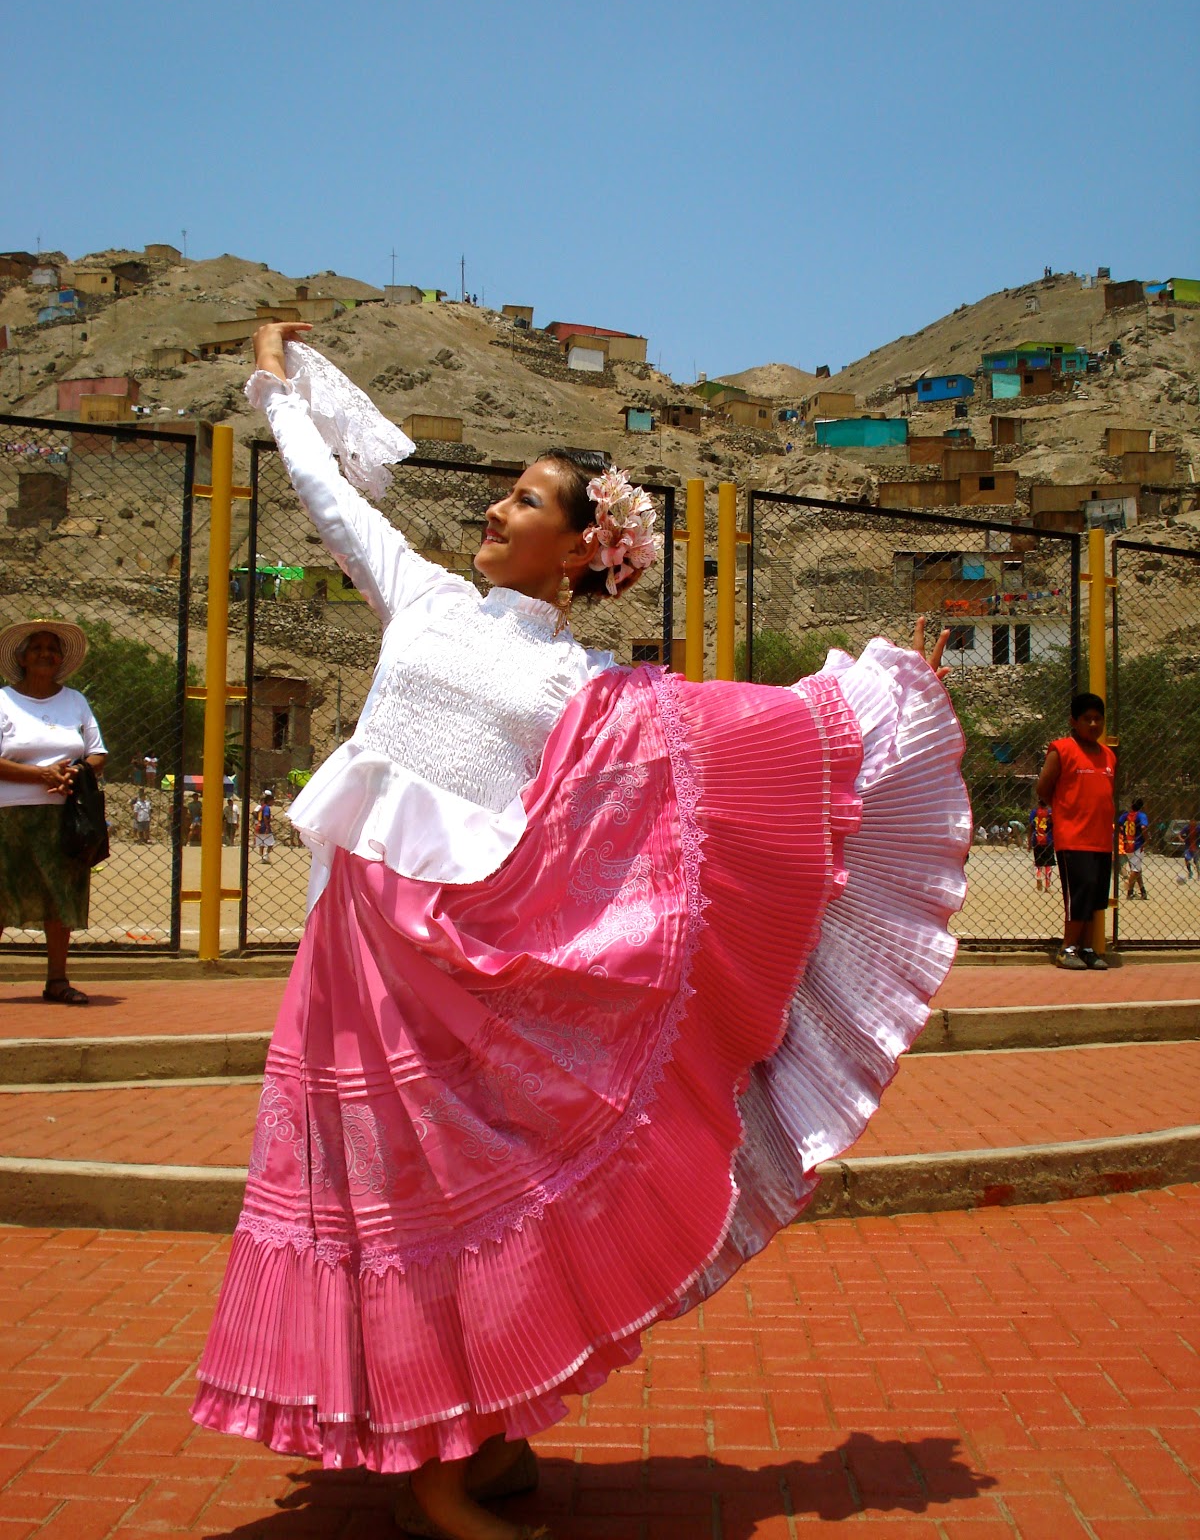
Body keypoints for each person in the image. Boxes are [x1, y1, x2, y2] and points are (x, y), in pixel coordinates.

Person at [191, 325, 969, 1540]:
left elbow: (703, 756)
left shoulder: (583, 688)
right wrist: (282, 387)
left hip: (466, 968)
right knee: (385, 1195)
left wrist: (856, 717)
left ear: (580, 552)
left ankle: (478, 1436)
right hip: (364, 961)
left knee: (469, 1191)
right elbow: (324, 496)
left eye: (527, 501)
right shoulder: (424, 592)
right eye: (504, 492)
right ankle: (437, 1466)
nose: (497, 511)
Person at [0, 620, 108, 1005]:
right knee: (2, 893)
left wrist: (74, 773)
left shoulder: (75, 701)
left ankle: (57, 980)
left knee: (61, 896)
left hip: (65, 816)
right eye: (37, 647)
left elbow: (97, 752)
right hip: (9, 816)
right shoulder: (3, 701)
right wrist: (39, 774)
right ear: (22, 657)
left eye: (53, 648)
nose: (46, 653)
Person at [1036, 693, 1116, 970]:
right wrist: (1065, 810)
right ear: (1074, 721)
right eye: (1087, 719)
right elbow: (1043, 788)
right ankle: (1067, 948)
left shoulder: (1108, 755)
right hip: (1074, 837)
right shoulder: (1061, 749)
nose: (1093, 724)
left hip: (1101, 840)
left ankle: (1088, 948)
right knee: (1078, 895)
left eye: (1098, 719)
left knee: (1094, 896)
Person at [1118, 797, 1149, 901]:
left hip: (1128, 844)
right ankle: (1130, 892)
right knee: (1135, 870)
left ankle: (1143, 891)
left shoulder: (1125, 816)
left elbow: (1119, 825)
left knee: (1137, 868)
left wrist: (1123, 834)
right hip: (1137, 845)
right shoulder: (1141, 815)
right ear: (1142, 806)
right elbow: (1144, 827)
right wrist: (1147, 839)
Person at [1028, 800, 1054, 892]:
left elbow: (1031, 827)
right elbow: (1054, 826)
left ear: (1038, 803)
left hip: (1036, 839)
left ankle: (1038, 875)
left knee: (1038, 862)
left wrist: (1029, 843)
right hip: (1048, 840)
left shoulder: (1034, 812)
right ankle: (1047, 886)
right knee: (1048, 864)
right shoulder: (1050, 812)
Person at [253, 789, 275, 861]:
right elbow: (265, 816)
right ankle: (266, 855)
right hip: (264, 826)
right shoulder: (266, 808)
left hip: (259, 826)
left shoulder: (261, 807)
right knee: (271, 843)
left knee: (261, 843)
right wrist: (267, 826)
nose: (273, 802)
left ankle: (262, 856)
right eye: (272, 801)